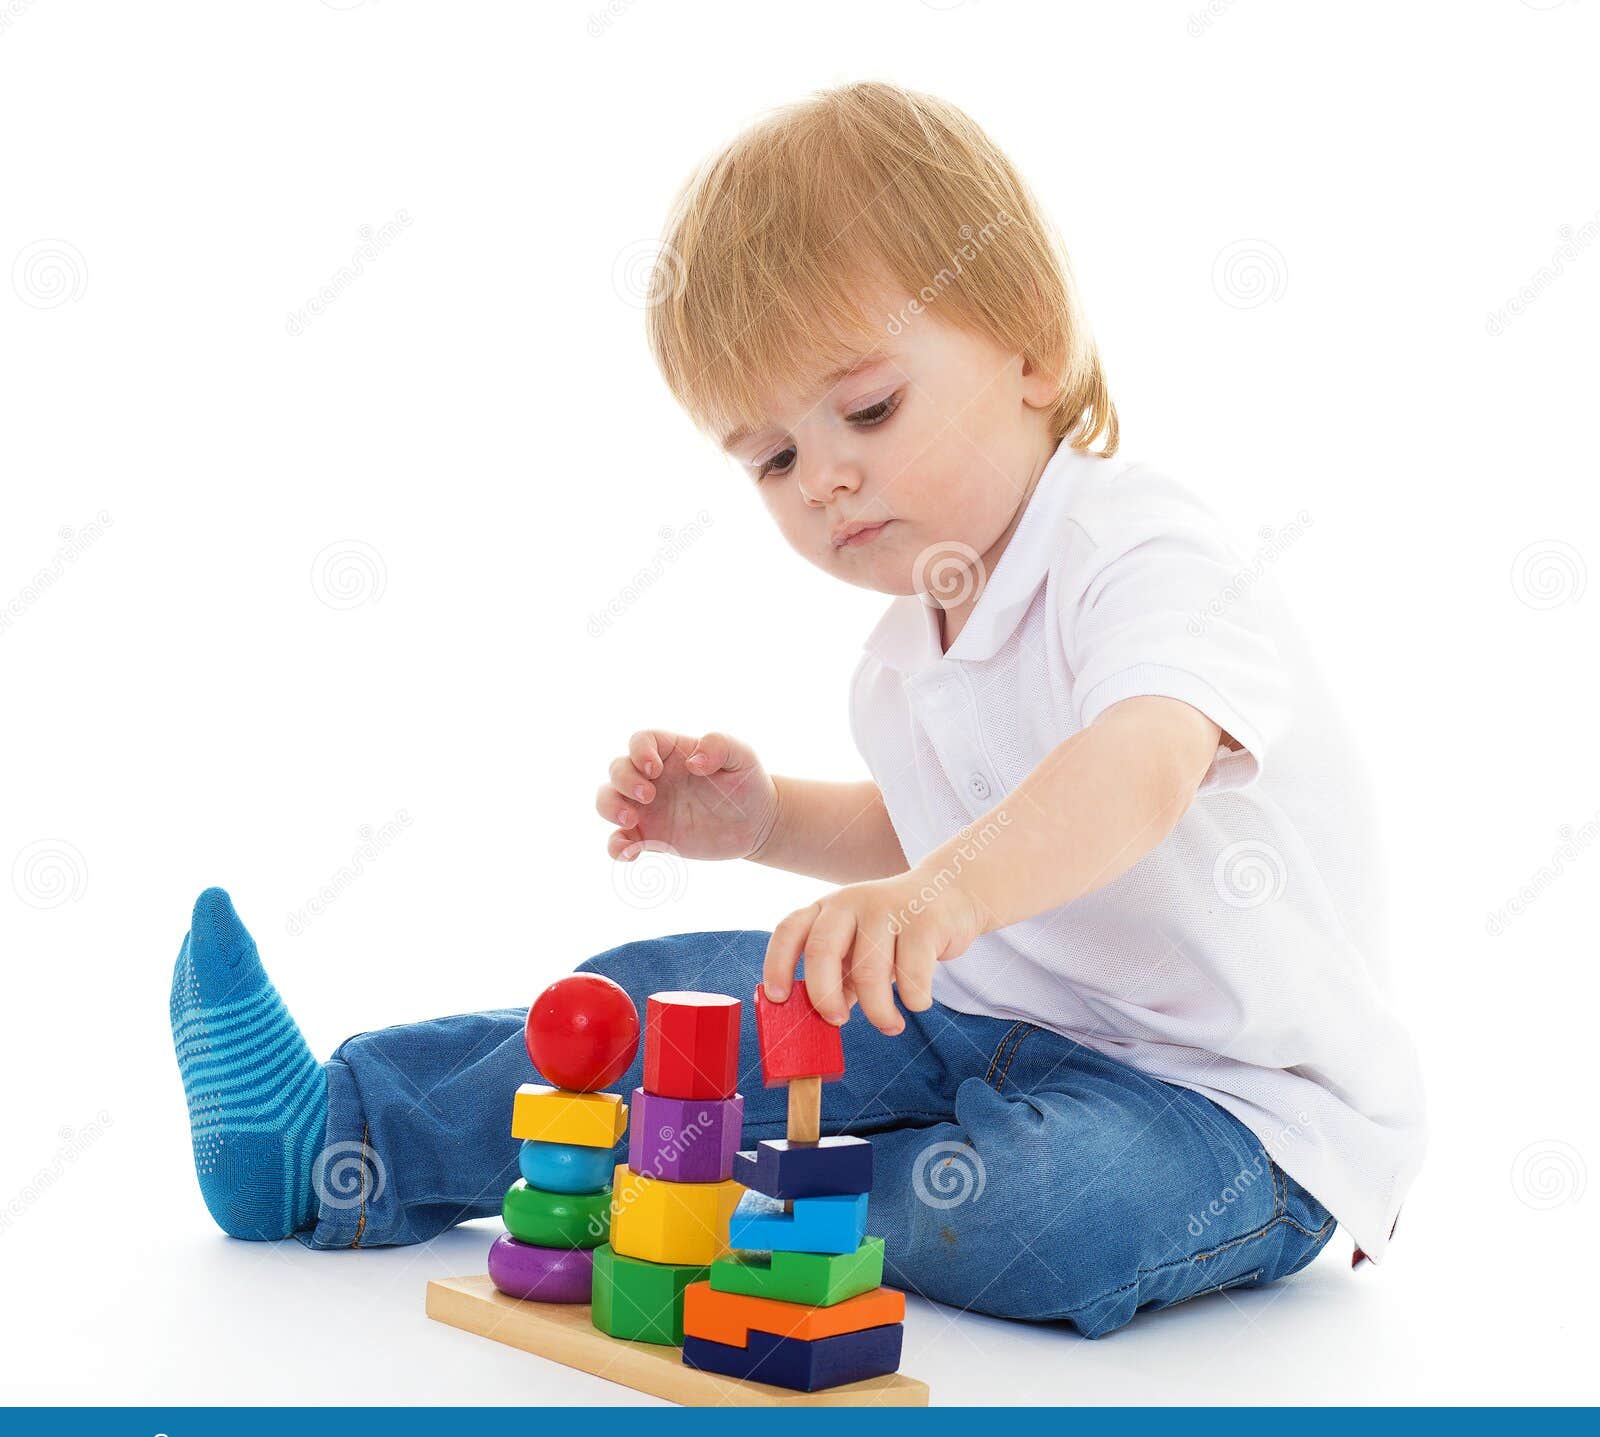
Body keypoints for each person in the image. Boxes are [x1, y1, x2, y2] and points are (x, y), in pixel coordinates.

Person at [169, 82, 1425, 1338]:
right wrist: (765, 823)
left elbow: (1136, 768)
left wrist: (939, 902)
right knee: (669, 1008)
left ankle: (715, 1197)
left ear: (1032, 351)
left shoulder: (1142, 552)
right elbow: (928, 826)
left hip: (1238, 1114)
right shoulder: (900, 654)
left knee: (1049, 1207)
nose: (822, 478)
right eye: (769, 458)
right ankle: (339, 1138)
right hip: (975, 1028)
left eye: (868, 409)